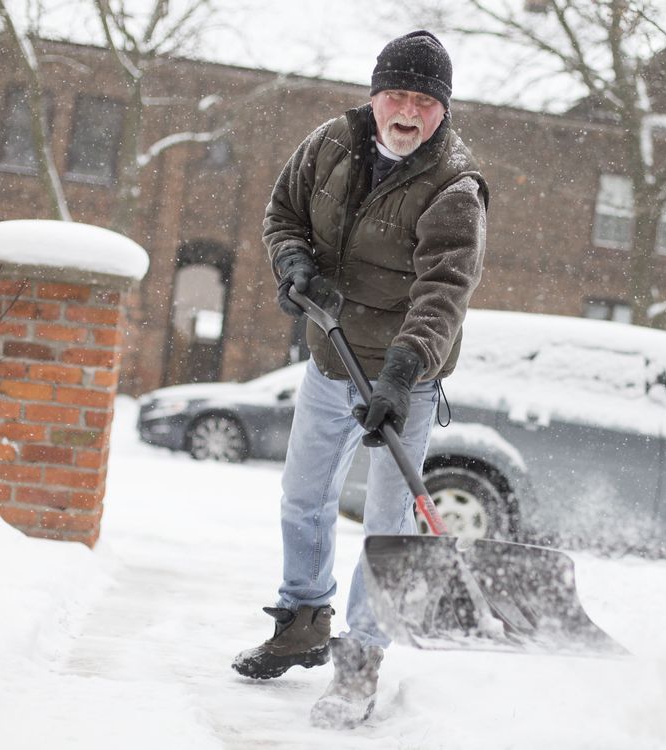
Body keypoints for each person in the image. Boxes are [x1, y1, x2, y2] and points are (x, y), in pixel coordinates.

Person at [232, 30, 489, 729]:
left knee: (385, 522)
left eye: (423, 100)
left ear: (442, 110)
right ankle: (303, 618)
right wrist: (294, 267)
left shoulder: (456, 189)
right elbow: (283, 214)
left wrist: (400, 378)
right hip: (329, 357)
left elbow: (442, 296)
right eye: (395, 94)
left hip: (406, 374)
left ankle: (362, 657)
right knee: (303, 498)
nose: (407, 110)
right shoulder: (331, 145)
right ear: (375, 98)